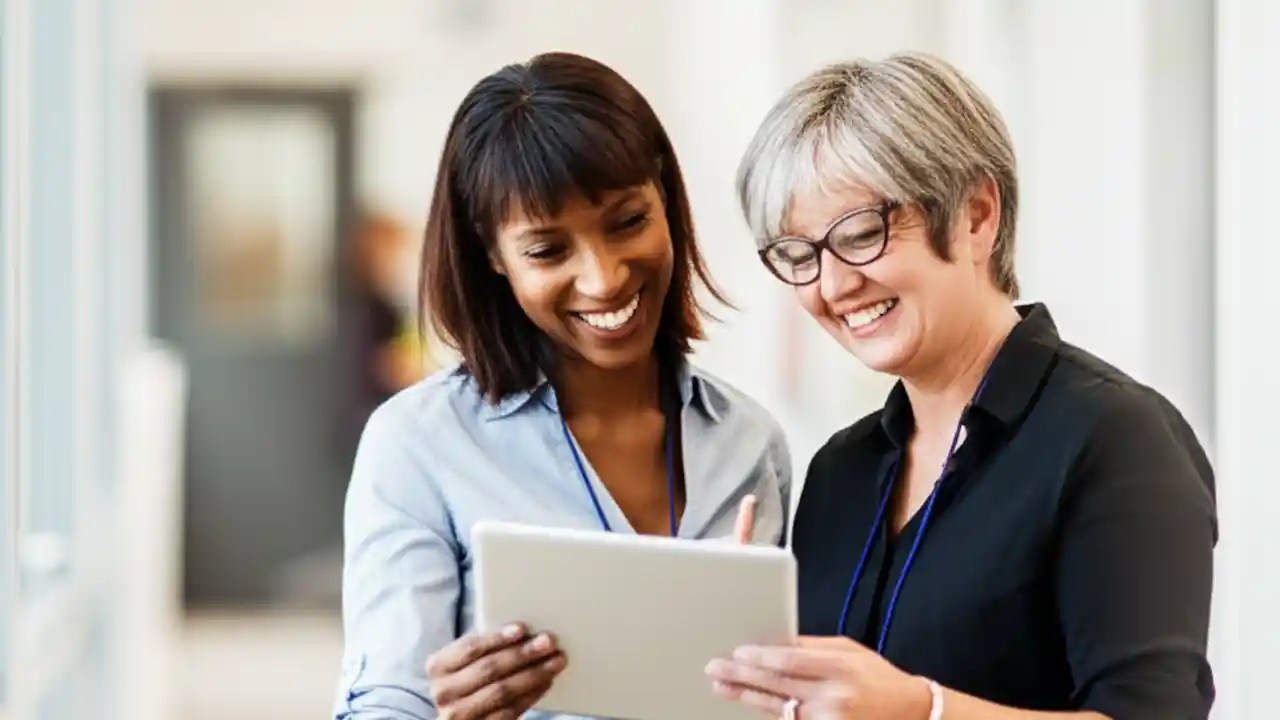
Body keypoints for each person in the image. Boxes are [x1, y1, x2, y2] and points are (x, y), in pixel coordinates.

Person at [705, 52, 1216, 720]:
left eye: (861, 235)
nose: (832, 287)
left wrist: (926, 710)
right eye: (798, 258)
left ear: (977, 215)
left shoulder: (1114, 437)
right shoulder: (840, 471)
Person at [333, 51, 791, 720]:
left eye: (628, 222)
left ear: (665, 197)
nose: (604, 278)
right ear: (493, 255)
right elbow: (384, 704)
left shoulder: (752, 445)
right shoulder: (419, 445)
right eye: (548, 250)